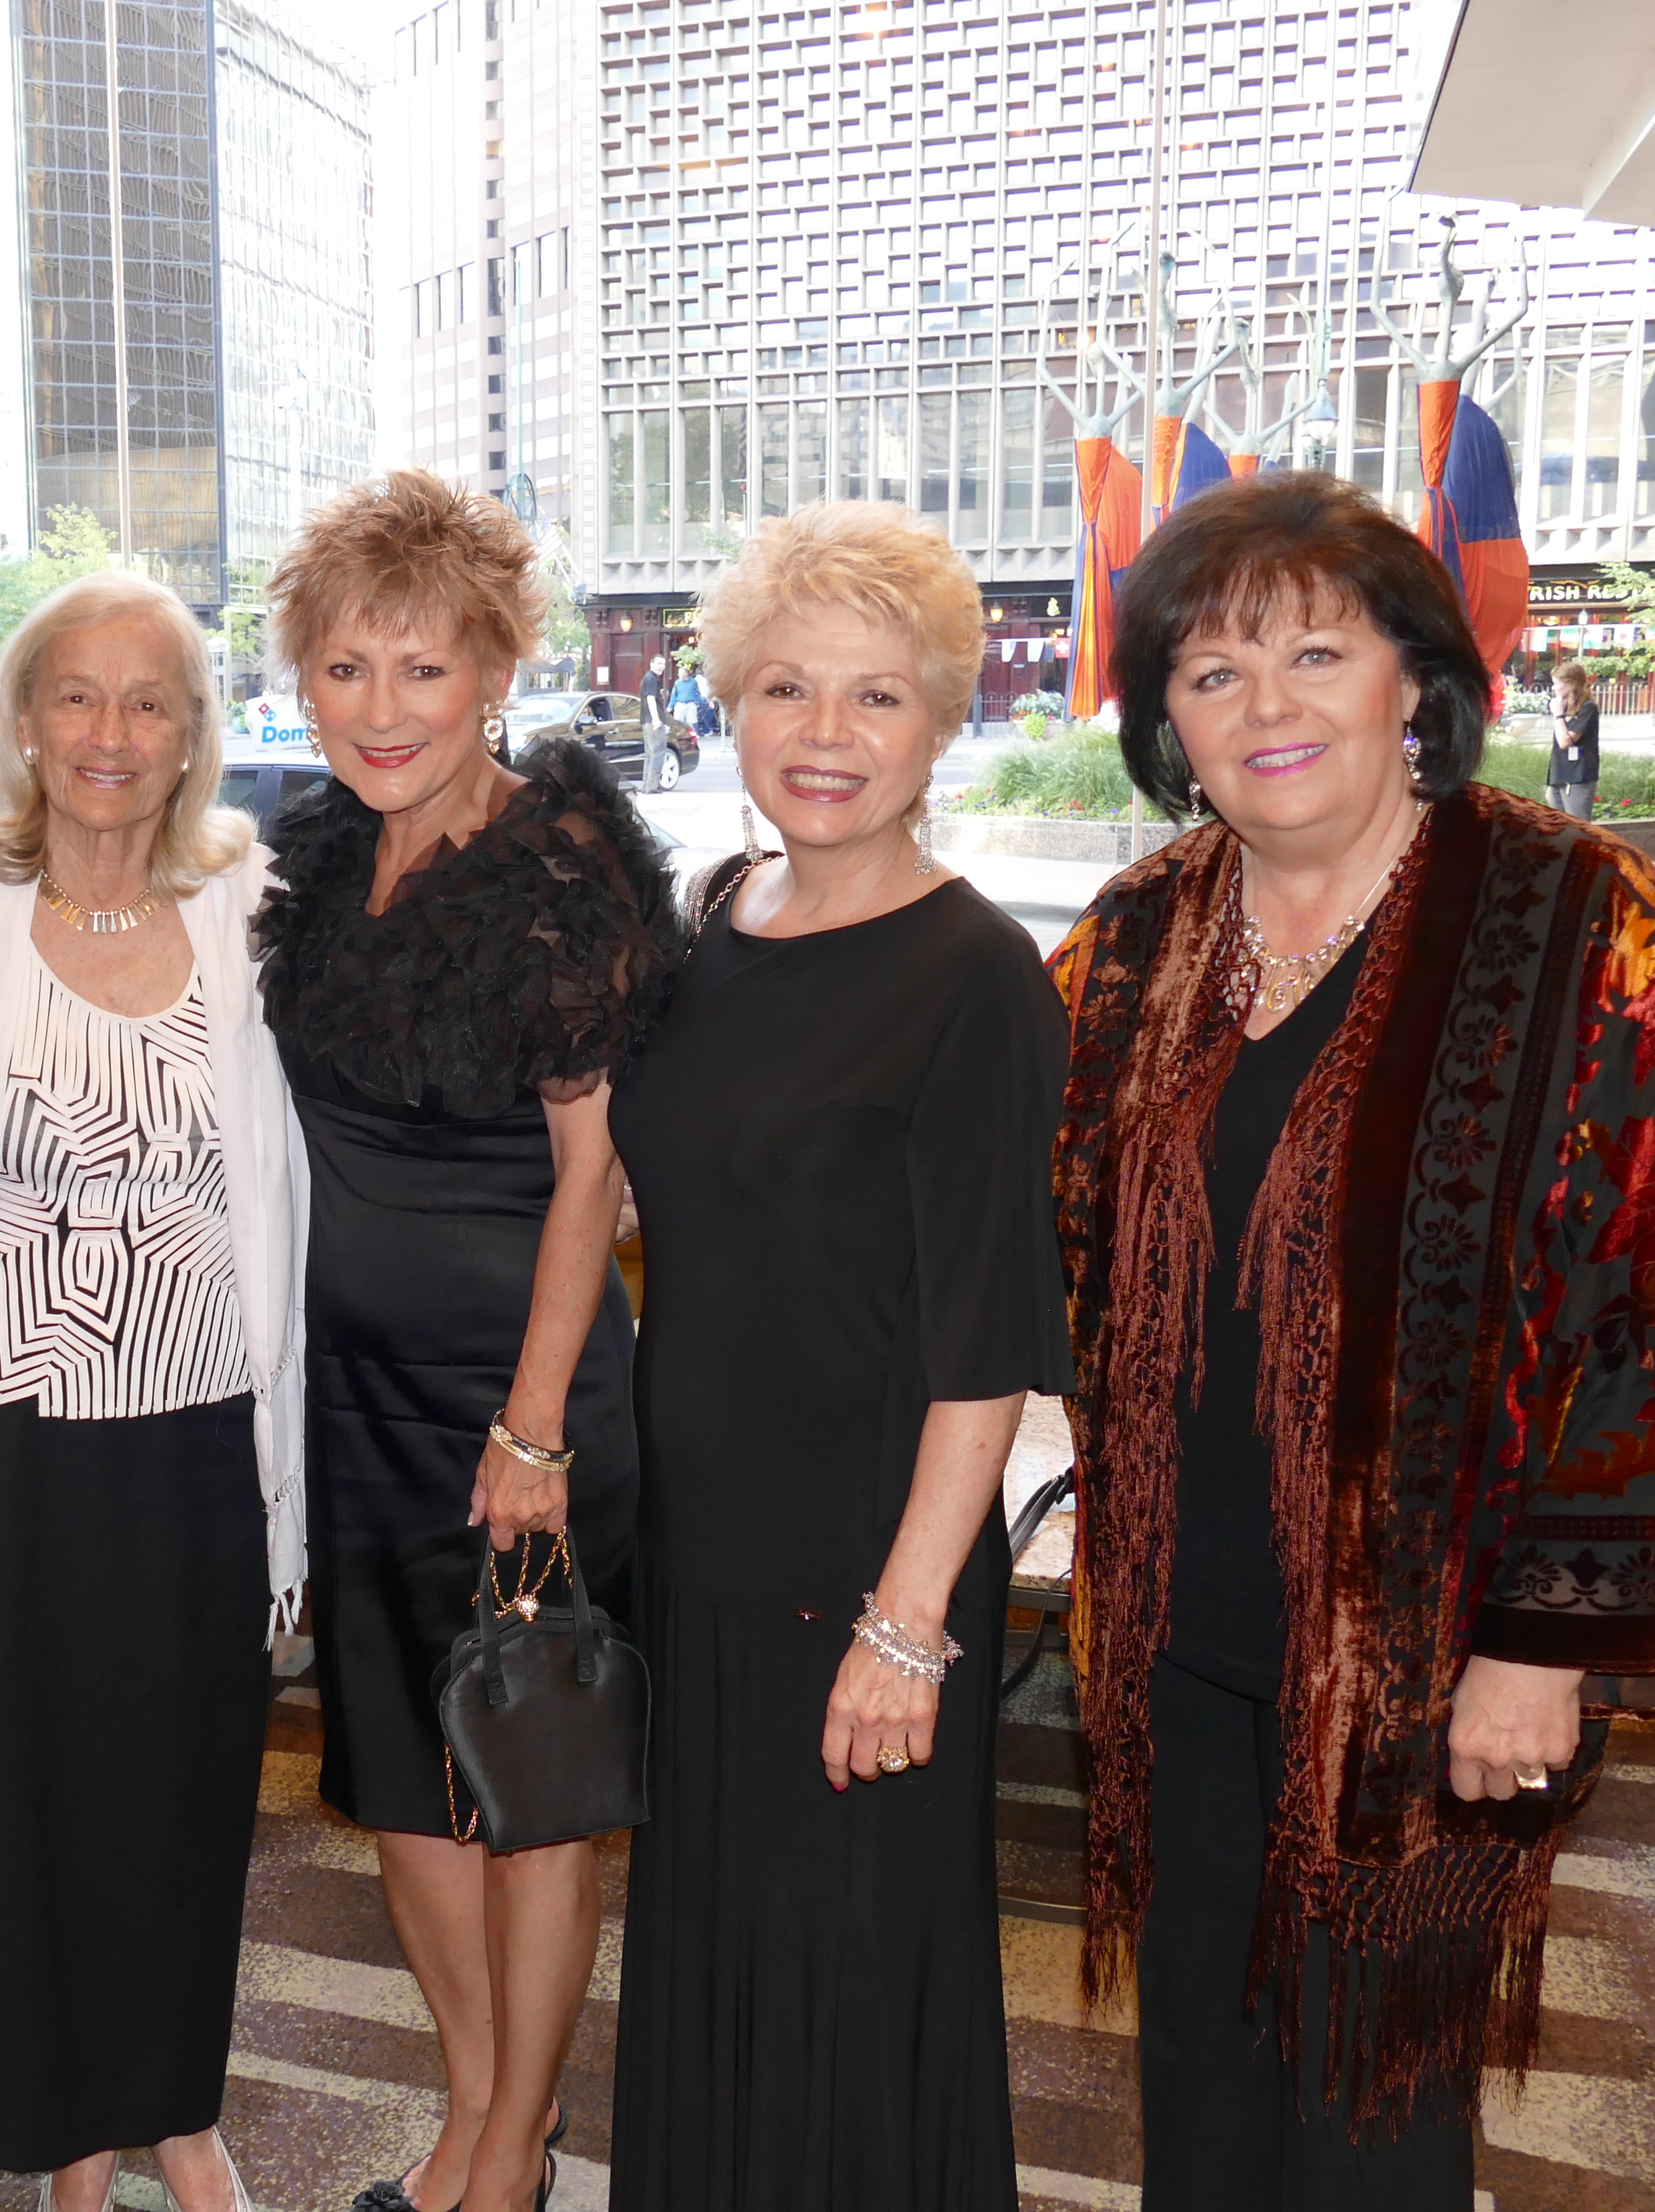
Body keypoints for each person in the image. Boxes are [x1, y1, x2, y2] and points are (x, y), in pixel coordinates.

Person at [1056, 471, 1655, 2208]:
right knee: (1200, 2102)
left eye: (1314, 651)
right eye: (1209, 672)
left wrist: (1540, 1637)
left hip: (1433, 1661)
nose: (1266, 706)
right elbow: (1000, 1214)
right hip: (1173, 1636)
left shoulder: (1573, 917)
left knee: (1368, 2124)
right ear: (1165, 717)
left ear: (1412, 681)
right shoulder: (1136, 938)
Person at [605, 503, 1073, 2211]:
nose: (823, 735)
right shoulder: (706, 920)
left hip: (856, 1572)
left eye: (874, 698)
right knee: (718, 1949)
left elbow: (982, 1345)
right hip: (698, 1551)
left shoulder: (974, 979)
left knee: (851, 1971)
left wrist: (908, 1623)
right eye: (786, 687)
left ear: (940, 720)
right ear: (726, 700)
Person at [252, 470, 680, 2212]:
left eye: (420, 669)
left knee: (530, 1772)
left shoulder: (559, 867)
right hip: (349, 1393)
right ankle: (474, 2108)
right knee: (396, 1776)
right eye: (344, 667)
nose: (378, 708)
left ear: (493, 666)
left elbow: (592, 1169)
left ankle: (505, 2152)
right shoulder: (320, 848)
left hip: (521, 1398)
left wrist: (529, 1429)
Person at [0, 571, 306, 2212]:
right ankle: (74, 2121)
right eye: (75, 693)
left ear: (192, 736)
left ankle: (178, 2106)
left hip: (207, 1432)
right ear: (20, 718)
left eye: (150, 701)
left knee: (189, 1789)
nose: (110, 732)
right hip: (18, 1436)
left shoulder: (249, 906)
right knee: (36, 1790)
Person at [1545, 657, 1599, 819]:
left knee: (1578, 826)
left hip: (1578, 776)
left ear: (1570, 684)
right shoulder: (1564, 707)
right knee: (1560, 825)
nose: (1553, 688)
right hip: (1559, 772)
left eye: (1556, 683)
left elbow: (1565, 741)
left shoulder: (1588, 708)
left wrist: (1558, 715)